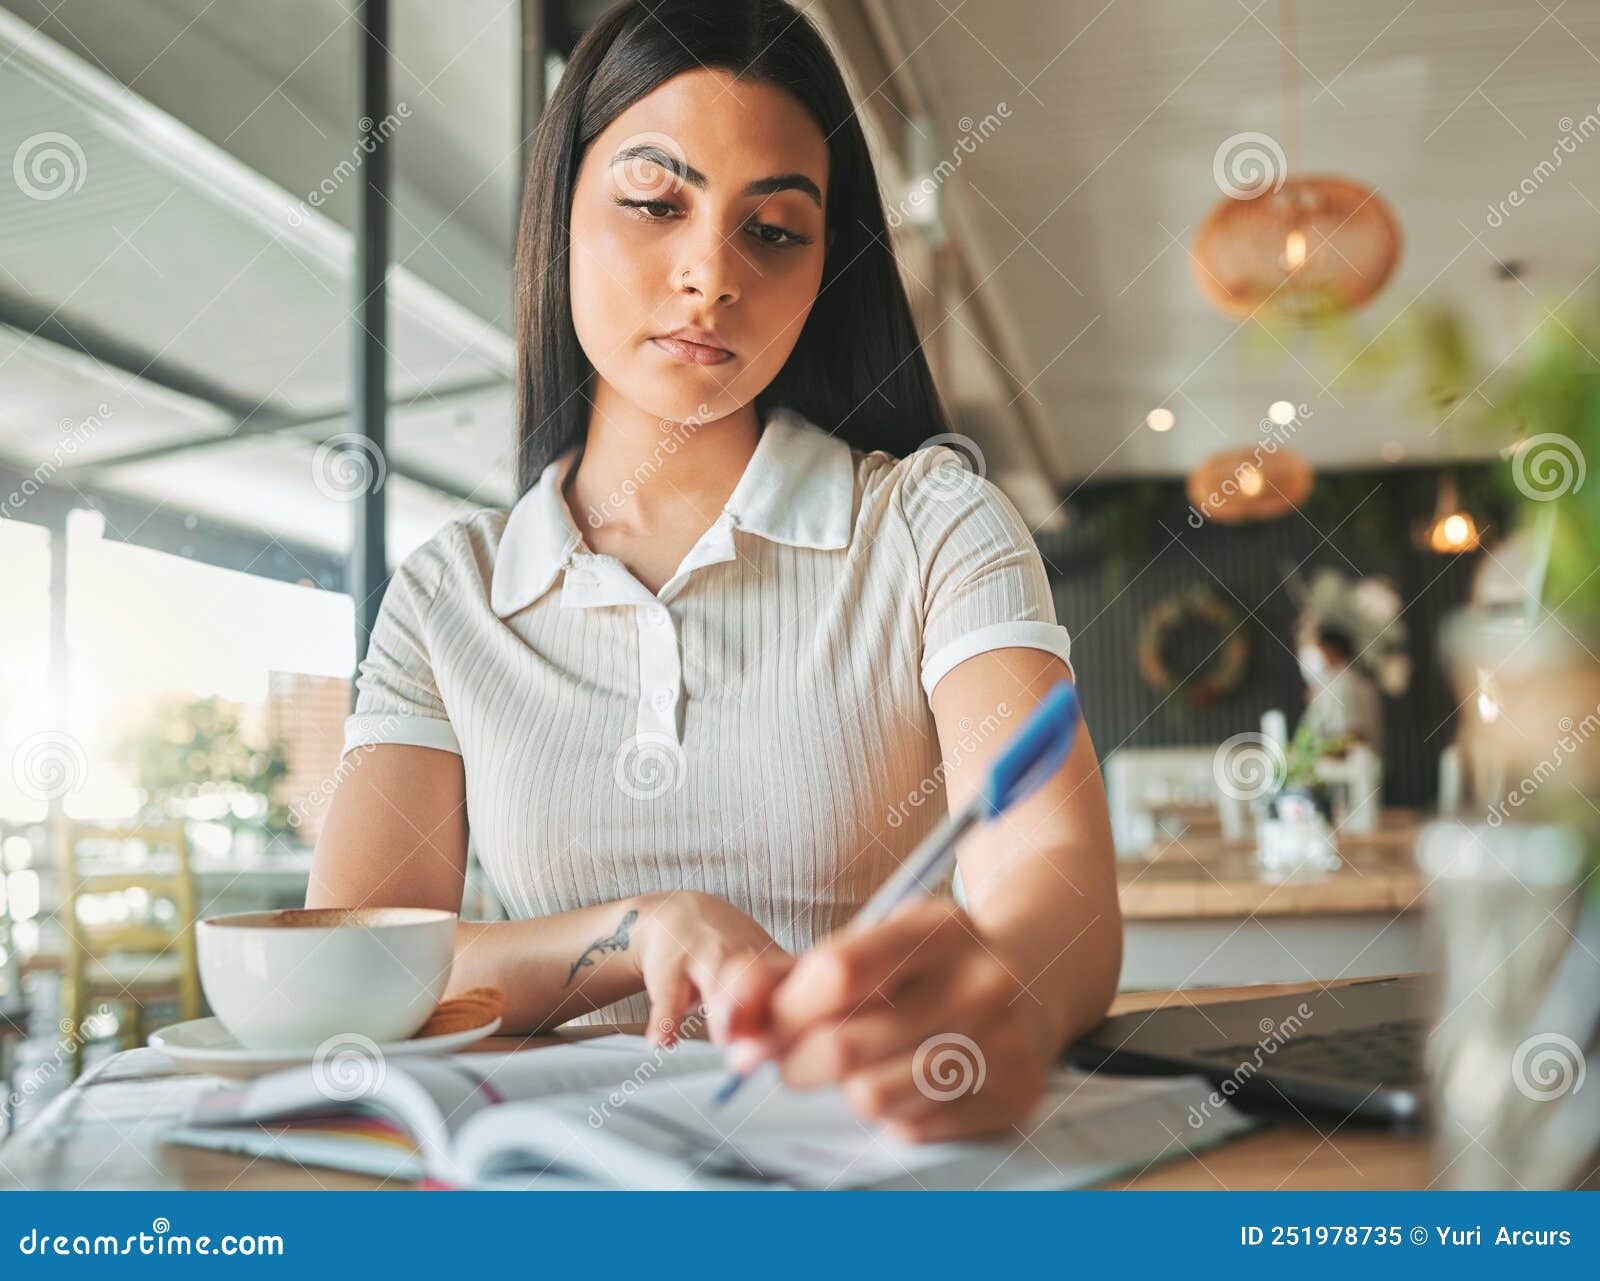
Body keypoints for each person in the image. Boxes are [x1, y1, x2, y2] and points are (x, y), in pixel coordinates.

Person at [308, 0, 1121, 1144]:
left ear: (824, 264)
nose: (709, 273)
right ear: (560, 215)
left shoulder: (934, 525)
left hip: (867, 1158)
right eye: (654, 203)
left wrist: (1010, 1008)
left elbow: (1057, 889)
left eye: (774, 231)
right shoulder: (450, 593)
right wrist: (635, 935)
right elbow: (346, 967)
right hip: (562, 1176)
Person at [1299, 623, 1383, 750]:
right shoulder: (1332, 682)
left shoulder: (1346, 684)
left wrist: (1317, 752)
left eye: (1318, 649)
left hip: (1350, 767)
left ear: (1331, 651)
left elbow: (1353, 734)